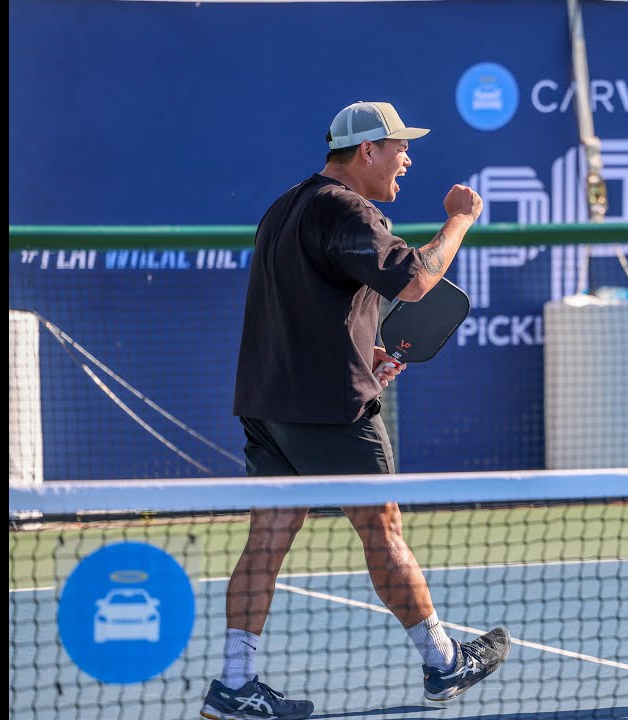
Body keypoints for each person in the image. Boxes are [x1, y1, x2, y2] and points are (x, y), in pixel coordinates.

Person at [199, 101, 510, 720]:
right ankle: (444, 662)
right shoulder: (344, 208)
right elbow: (416, 280)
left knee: (267, 540)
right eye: (399, 147)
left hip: (268, 404)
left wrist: (364, 352)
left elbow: (307, 306)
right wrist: (459, 221)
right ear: (366, 150)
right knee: (382, 529)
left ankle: (235, 684)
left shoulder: (284, 207)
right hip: (330, 409)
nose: (407, 159)